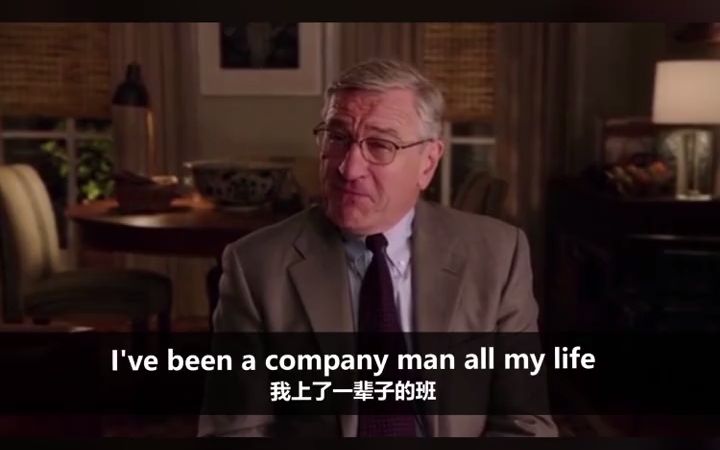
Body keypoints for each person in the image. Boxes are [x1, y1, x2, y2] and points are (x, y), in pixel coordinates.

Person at [199, 59, 558, 437]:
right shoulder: (255, 266)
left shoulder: (498, 255)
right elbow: (234, 431)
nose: (349, 168)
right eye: (337, 138)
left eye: (380, 145)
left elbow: (525, 423)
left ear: (428, 163)